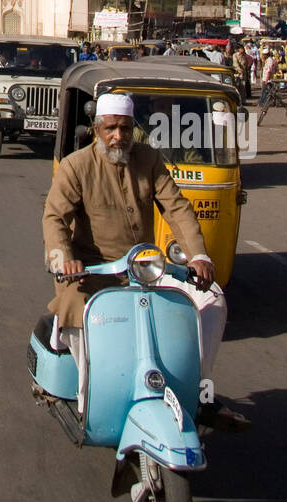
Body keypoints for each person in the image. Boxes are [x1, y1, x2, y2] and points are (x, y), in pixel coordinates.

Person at [42, 92, 246, 429]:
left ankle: (199, 390)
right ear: (97, 129)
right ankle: (90, 399)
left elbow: (177, 208)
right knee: (77, 310)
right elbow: (54, 218)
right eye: (110, 128)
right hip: (92, 272)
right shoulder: (76, 166)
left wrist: (198, 255)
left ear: (133, 129)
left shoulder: (149, 160)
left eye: (124, 128)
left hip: (144, 270)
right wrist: (63, 258)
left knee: (211, 298)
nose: (118, 137)